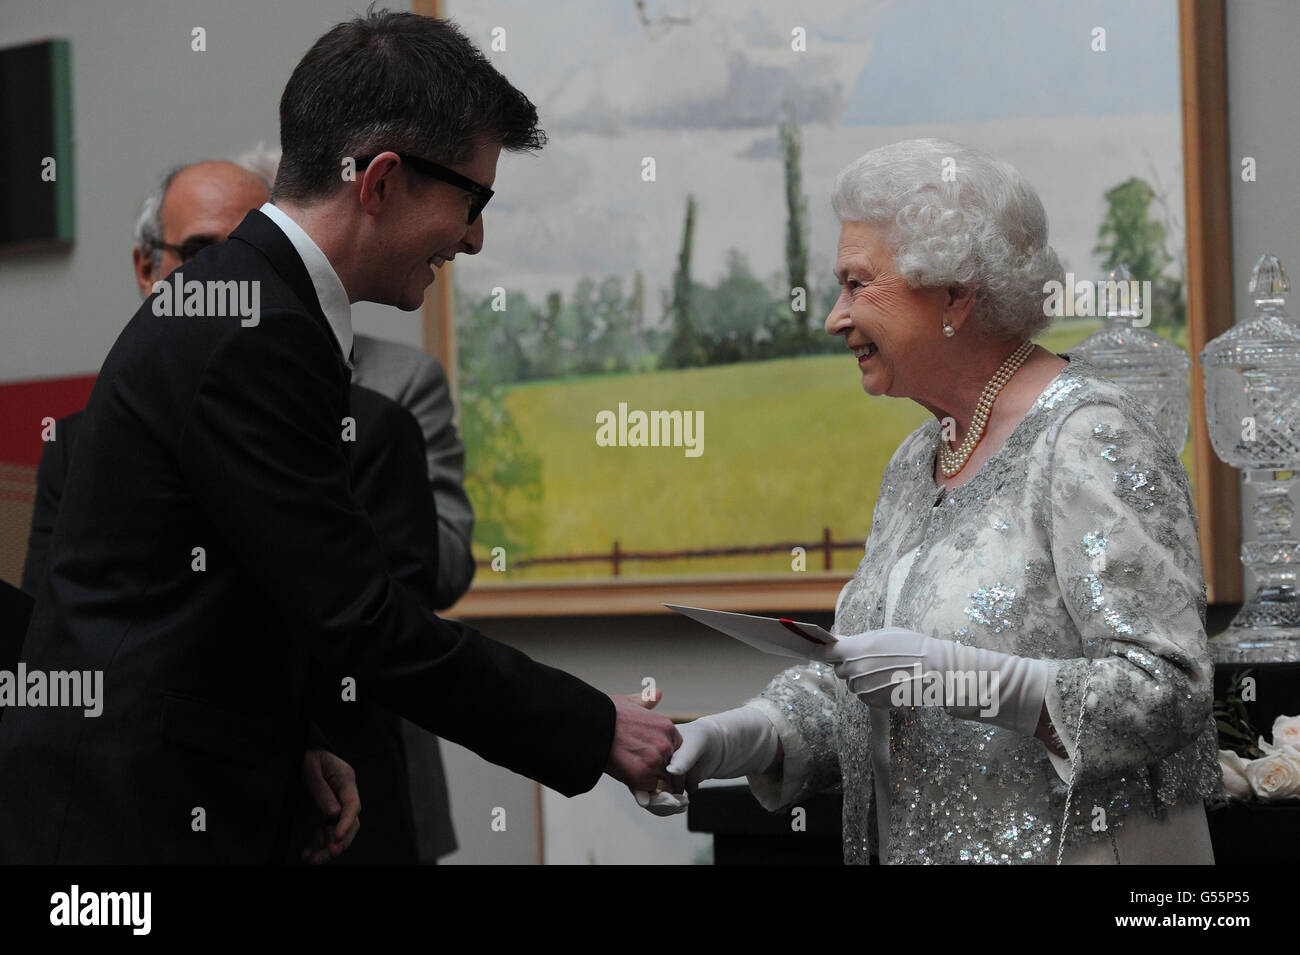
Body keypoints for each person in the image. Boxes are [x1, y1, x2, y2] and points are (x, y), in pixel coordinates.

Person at [0, 10, 681, 864]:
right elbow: (357, 611)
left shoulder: (253, 304)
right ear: (383, 180)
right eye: (472, 200)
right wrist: (593, 725)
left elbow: (230, 596)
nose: (474, 236)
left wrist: (296, 741)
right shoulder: (257, 328)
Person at [642, 138, 1222, 865]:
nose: (833, 317)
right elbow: (873, 682)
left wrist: (970, 680)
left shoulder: (1090, 436)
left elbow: (1169, 687)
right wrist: (733, 736)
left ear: (954, 293)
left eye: (858, 284)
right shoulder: (919, 459)